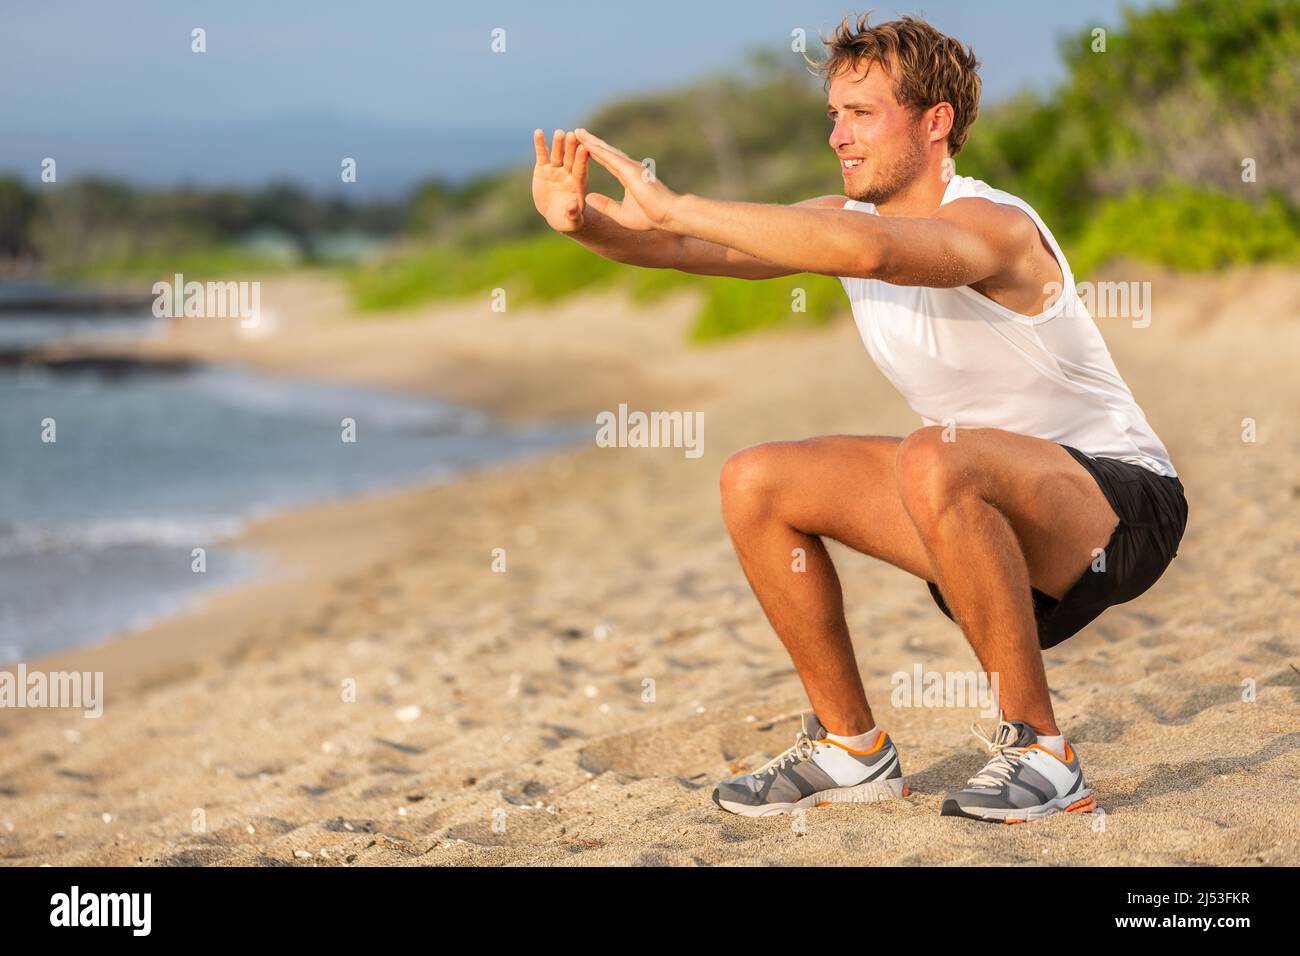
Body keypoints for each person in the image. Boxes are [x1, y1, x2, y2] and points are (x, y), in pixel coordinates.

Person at [530, 13, 1187, 823]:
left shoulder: (995, 225)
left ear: (936, 122)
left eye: (863, 113)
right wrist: (581, 222)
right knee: (758, 480)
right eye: (835, 115)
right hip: (974, 523)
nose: (839, 135)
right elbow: (678, 250)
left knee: (933, 455)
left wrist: (679, 203)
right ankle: (851, 748)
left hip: (1119, 513)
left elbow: (876, 255)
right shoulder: (846, 218)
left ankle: (1043, 755)